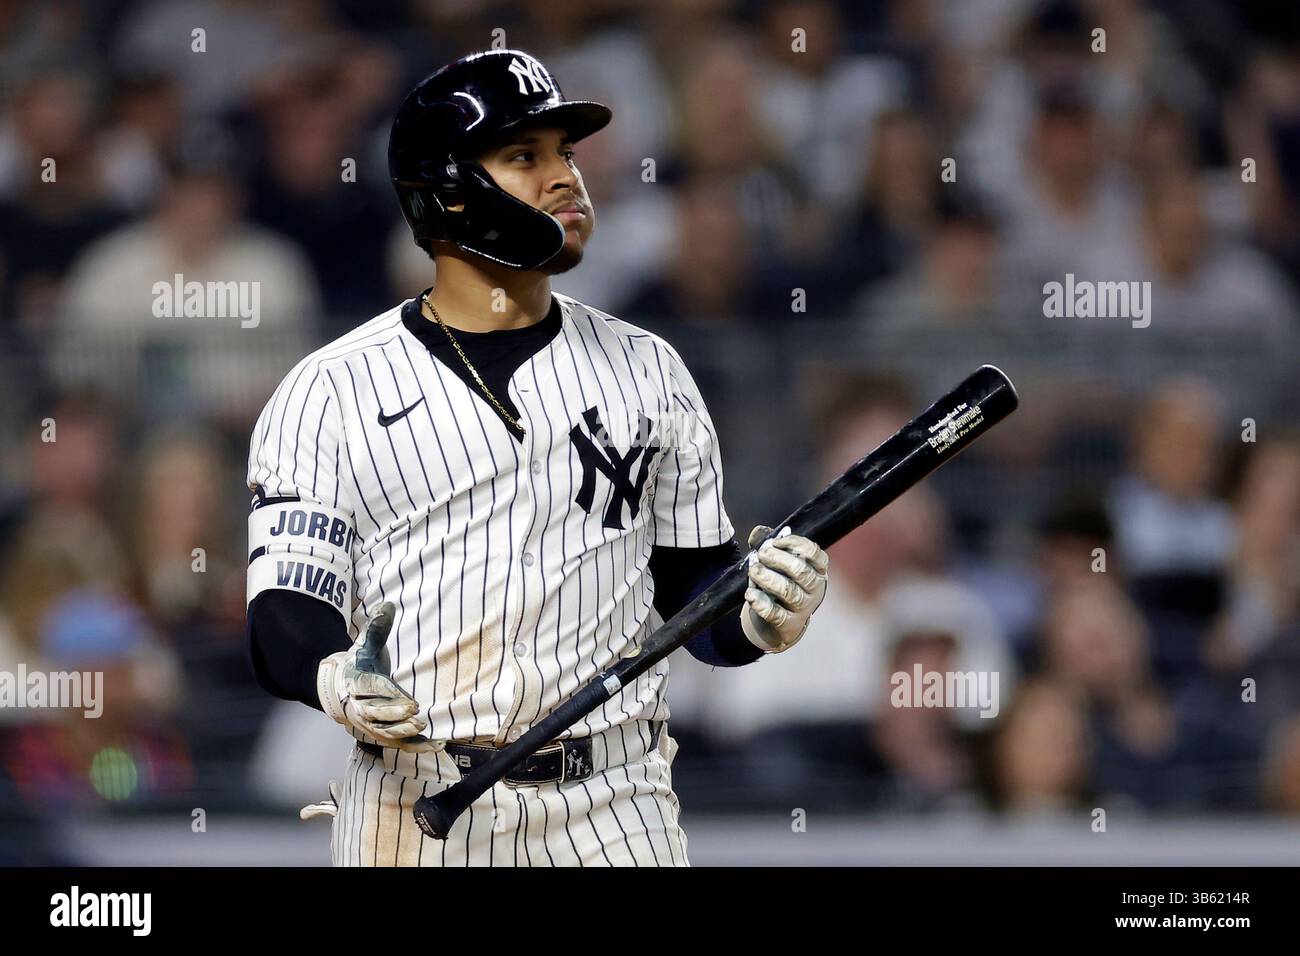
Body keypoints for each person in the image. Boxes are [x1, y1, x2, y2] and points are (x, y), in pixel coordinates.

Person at [243, 49, 831, 867]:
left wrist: (758, 617)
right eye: (525, 156)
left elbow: (695, 600)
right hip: (411, 805)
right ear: (445, 188)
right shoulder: (330, 389)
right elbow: (281, 614)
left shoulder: (649, 368)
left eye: (567, 154)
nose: (564, 178)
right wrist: (333, 674)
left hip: (614, 803)